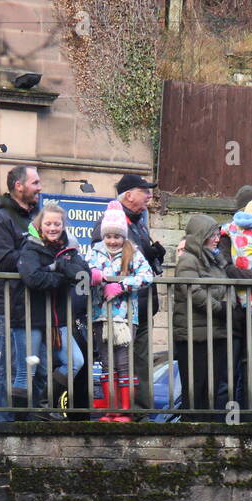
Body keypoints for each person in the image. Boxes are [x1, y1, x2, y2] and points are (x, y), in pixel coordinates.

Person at [91, 173, 164, 414]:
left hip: (140, 308)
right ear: (129, 194)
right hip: (117, 311)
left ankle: (139, 414)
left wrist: (154, 256)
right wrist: (114, 284)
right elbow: (97, 261)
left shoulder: (139, 223)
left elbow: (142, 267)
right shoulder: (111, 222)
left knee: (140, 363)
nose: (149, 196)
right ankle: (120, 412)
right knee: (117, 363)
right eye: (145, 191)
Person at [82, 201, 154, 420]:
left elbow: (147, 276)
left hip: (124, 318)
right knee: (107, 363)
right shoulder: (94, 253)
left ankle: (125, 410)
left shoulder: (133, 253)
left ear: (123, 236)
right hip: (100, 317)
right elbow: (82, 272)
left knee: (123, 363)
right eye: (108, 236)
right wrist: (92, 274)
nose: (112, 241)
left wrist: (121, 285)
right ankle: (110, 410)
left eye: (117, 236)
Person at [16, 202, 87, 410]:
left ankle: (47, 406)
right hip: (32, 316)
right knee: (27, 370)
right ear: (40, 225)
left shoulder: (69, 248)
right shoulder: (30, 247)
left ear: (63, 225)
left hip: (58, 318)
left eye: (57, 224)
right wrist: (64, 277)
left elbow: (83, 273)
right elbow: (33, 278)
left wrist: (59, 267)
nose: (53, 228)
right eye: (48, 223)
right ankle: (20, 420)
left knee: (76, 362)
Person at [0, 164, 42, 419]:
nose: (39, 188)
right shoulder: (0, 219)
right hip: (9, 303)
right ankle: (2, 420)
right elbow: (2, 261)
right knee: (12, 366)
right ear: (18, 186)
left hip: (36, 302)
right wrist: (34, 252)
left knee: (35, 366)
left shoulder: (36, 216)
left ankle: (27, 417)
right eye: (35, 183)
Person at [172, 212, 236, 416]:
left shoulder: (216, 262)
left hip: (215, 332)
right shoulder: (188, 260)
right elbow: (193, 291)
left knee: (212, 387)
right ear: (200, 235)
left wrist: (229, 305)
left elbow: (229, 288)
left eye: (218, 234)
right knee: (195, 387)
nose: (217, 239)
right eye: (213, 235)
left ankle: (207, 432)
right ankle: (192, 432)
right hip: (193, 336)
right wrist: (221, 308)